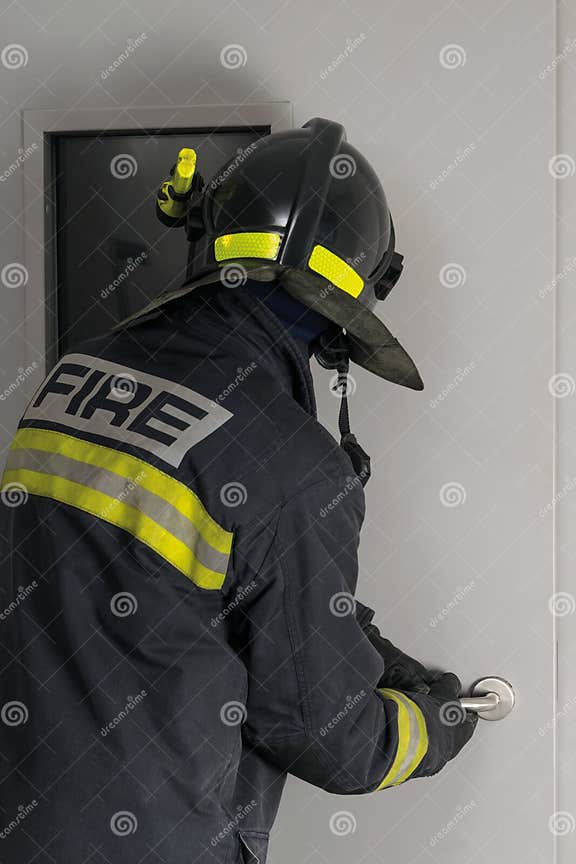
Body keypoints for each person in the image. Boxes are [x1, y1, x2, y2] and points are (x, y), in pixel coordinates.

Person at [0, 117, 477, 864]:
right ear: (346, 307)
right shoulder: (294, 466)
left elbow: (177, 588)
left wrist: (365, 645)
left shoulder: (73, 378)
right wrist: (439, 719)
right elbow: (326, 738)